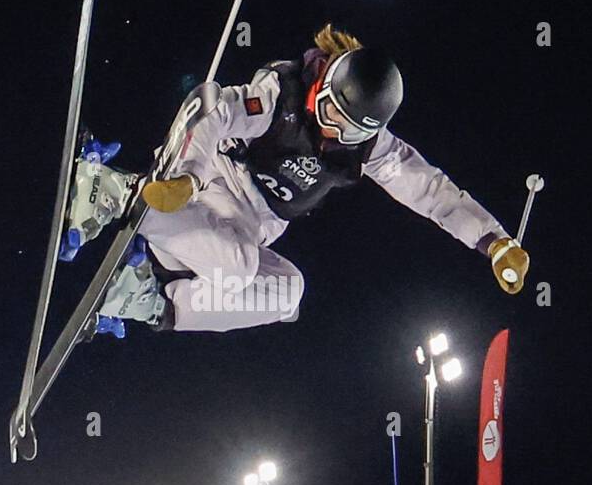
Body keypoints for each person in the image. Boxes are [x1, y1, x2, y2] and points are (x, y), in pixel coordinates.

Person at [93, 24, 529, 332]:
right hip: (208, 191)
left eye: (346, 127)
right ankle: (114, 194)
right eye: (326, 107)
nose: (329, 127)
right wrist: (185, 177)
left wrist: (493, 242)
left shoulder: (369, 151)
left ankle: (152, 304)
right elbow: (217, 108)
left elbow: (430, 190)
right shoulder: (281, 93)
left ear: (367, 131)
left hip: (241, 232)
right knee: (237, 265)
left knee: (286, 294)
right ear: (325, 81)